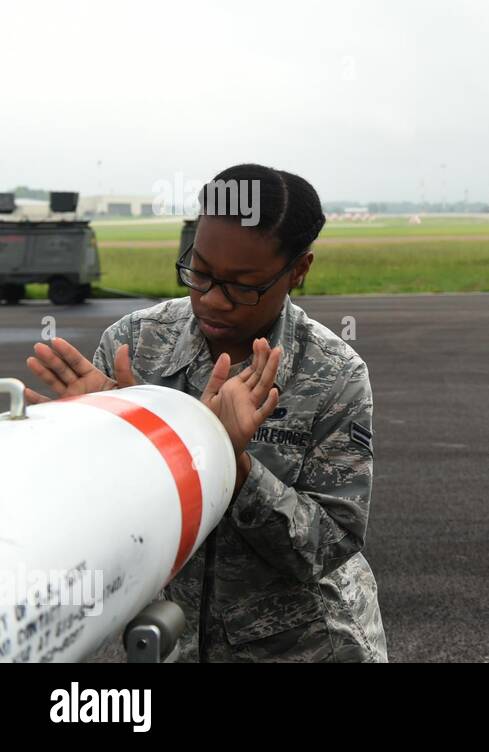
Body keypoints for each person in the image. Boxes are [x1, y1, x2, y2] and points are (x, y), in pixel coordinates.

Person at [23, 164, 387, 662]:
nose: (211, 300)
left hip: (301, 648)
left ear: (299, 269)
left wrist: (232, 464)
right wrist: (94, 440)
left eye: (242, 286)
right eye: (200, 272)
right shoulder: (137, 343)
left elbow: (327, 546)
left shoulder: (333, 375)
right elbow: (98, 525)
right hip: (172, 644)